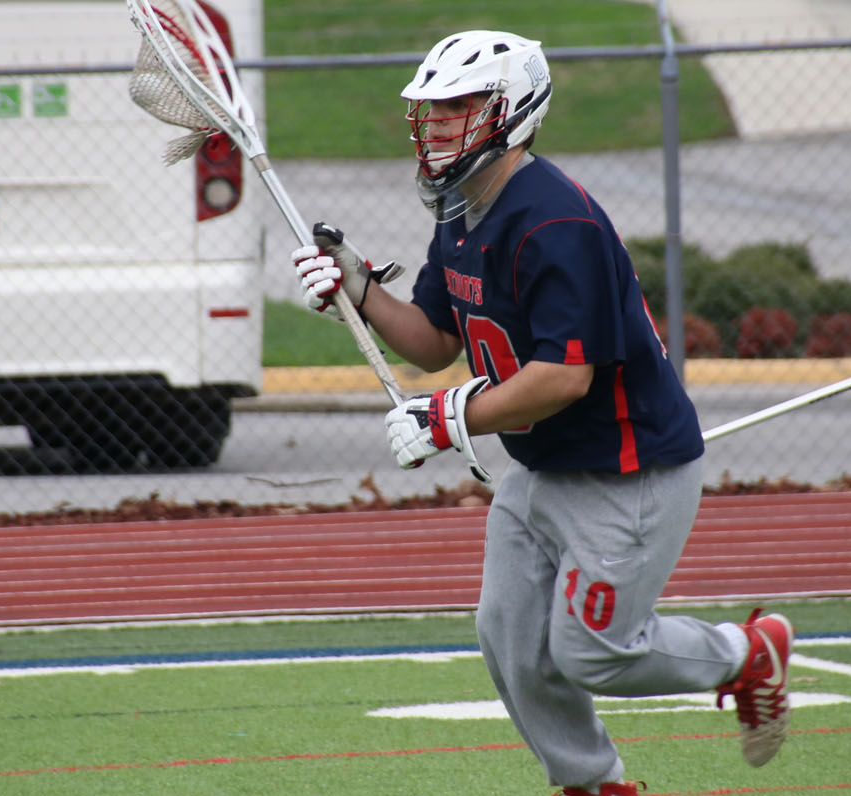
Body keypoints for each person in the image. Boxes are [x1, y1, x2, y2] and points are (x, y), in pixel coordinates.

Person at [291, 30, 792, 795]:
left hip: (626, 468)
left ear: (512, 110)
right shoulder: (462, 209)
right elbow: (433, 341)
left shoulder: (556, 221)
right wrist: (359, 290)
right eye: (431, 109)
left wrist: (448, 419)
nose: (437, 124)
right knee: (511, 640)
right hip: (543, 466)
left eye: (459, 106)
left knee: (592, 652)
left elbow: (563, 378)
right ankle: (592, 783)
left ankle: (748, 655)